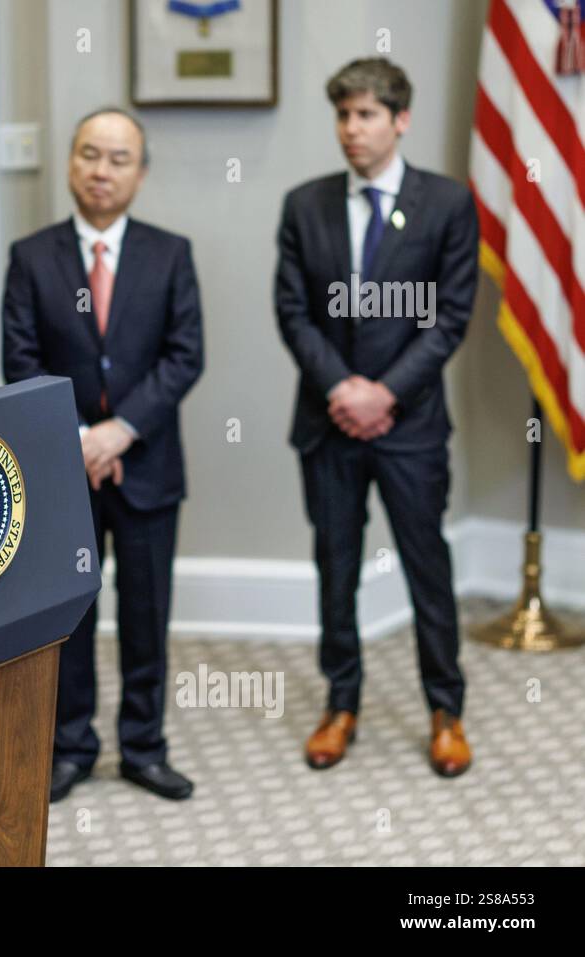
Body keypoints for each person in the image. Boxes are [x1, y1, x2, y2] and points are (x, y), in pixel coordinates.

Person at [274, 57, 478, 777]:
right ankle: (341, 702)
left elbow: (449, 318)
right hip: (328, 422)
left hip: (411, 424)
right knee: (335, 565)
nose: (351, 130)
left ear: (400, 120)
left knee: (428, 566)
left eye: (365, 115)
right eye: (342, 115)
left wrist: (384, 393)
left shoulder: (448, 204)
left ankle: (445, 708)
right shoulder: (305, 204)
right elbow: (293, 312)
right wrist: (342, 388)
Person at [3, 107, 203, 803]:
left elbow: (185, 357)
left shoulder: (171, 252)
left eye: (119, 159)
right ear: (69, 163)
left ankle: (145, 746)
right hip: (64, 471)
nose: (101, 170)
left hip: (148, 467)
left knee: (147, 615)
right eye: (90, 154)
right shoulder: (31, 256)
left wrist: (122, 432)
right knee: (72, 616)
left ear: (140, 174)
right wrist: (84, 438)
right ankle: (71, 744)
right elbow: (21, 362)